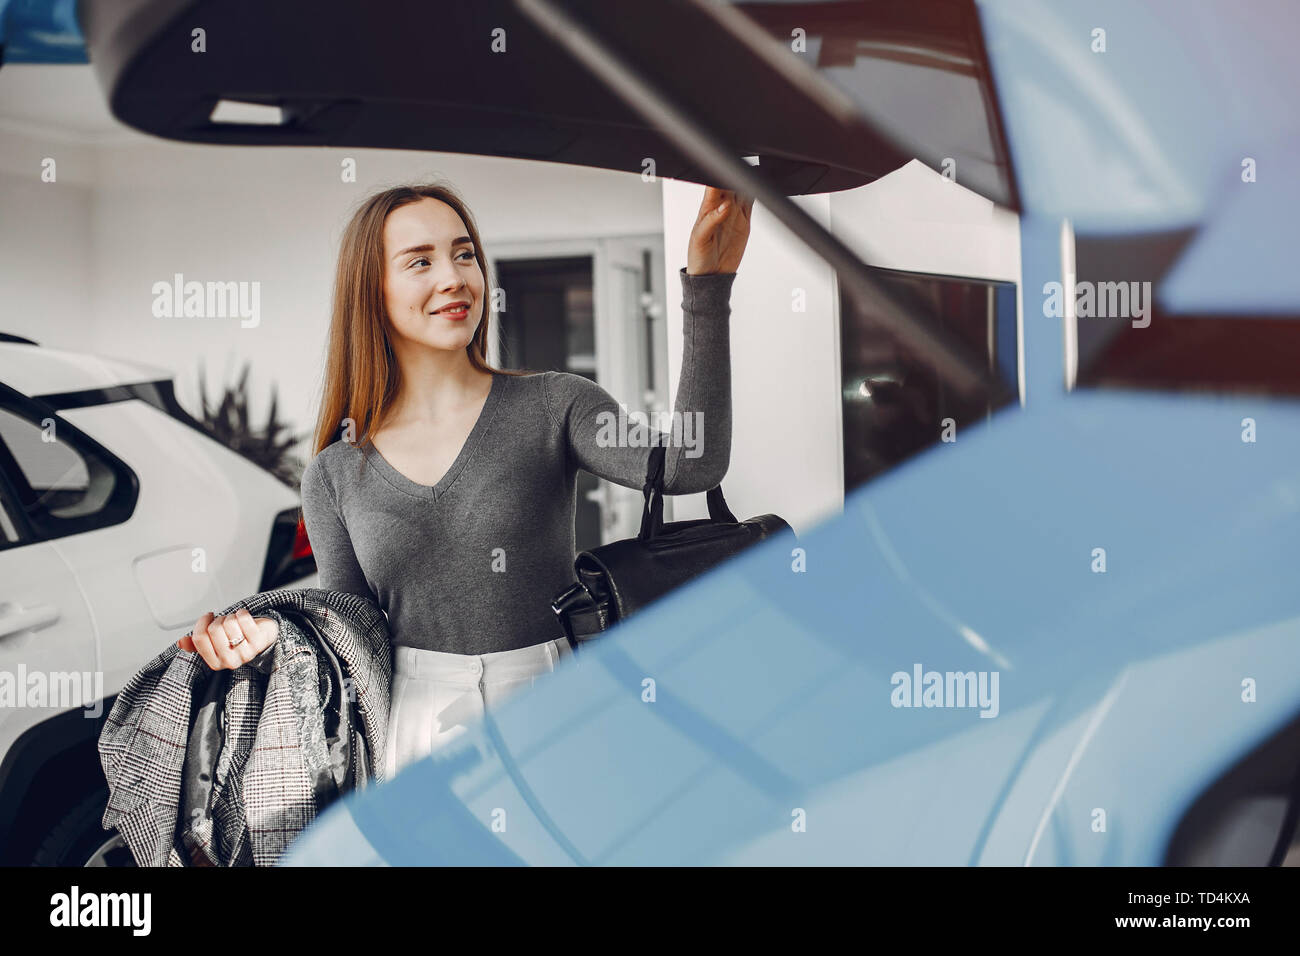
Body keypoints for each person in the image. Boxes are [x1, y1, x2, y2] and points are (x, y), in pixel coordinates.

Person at [179, 180, 752, 776]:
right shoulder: (335, 471)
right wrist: (266, 637)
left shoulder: (555, 404)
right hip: (411, 734)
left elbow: (691, 465)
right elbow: (348, 635)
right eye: (420, 261)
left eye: (464, 253)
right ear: (371, 292)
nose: (454, 277)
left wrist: (708, 287)